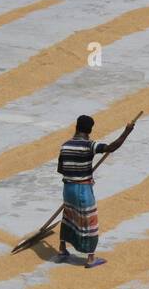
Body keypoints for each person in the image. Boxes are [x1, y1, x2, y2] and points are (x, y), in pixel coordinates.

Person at [56, 114, 135, 268]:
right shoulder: (89, 145)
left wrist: (77, 169)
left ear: (76, 127)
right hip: (82, 190)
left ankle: (62, 249)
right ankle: (91, 258)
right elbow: (111, 147)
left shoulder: (65, 146)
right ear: (89, 130)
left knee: (68, 217)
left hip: (67, 188)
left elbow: (60, 169)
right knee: (89, 221)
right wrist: (127, 132)